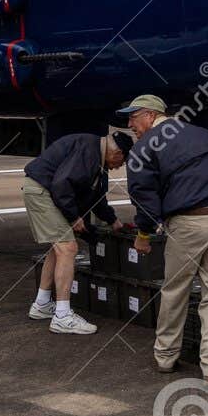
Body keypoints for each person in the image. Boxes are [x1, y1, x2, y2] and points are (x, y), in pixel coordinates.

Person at [121, 95, 208, 388]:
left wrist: (144, 234)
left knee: (175, 290)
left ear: (149, 116)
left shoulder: (144, 147)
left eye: (133, 117)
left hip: (188, 222)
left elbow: (143, 195)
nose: (130, 125)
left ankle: (165, 357)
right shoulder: (202, 134)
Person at [21, 133, 127, 334]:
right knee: (68, 248)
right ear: (117, 152)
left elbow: (97, 197)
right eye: (121, 162)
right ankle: (62, 316)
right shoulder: (89, 151)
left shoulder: (96, 156)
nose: (118, 167)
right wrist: (73, 217)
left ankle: (42, 304)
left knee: (58, 249)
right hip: (42, 192)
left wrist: (113, 221)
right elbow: (62, 184)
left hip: (41, 190)